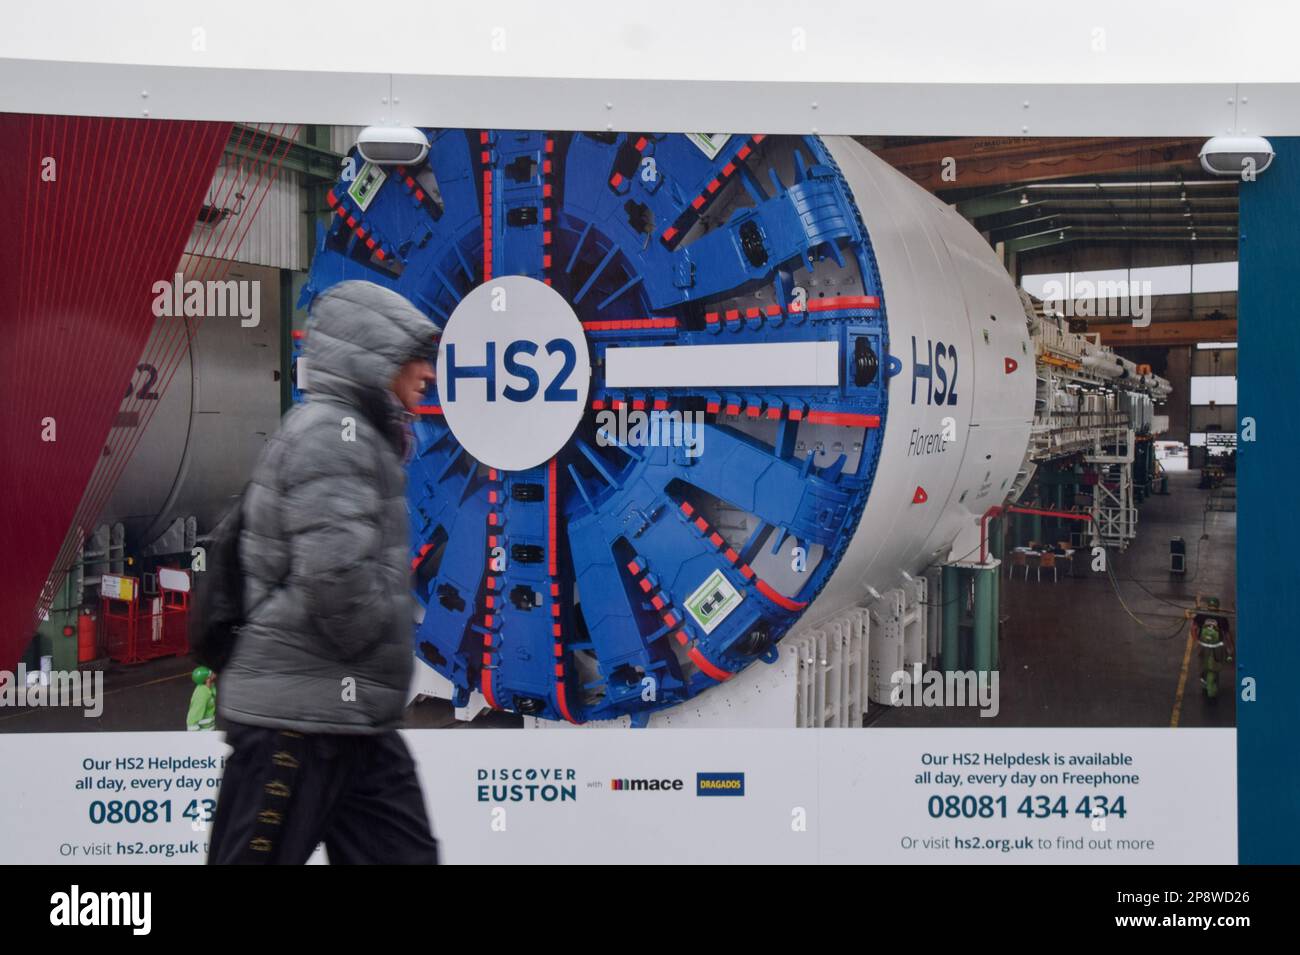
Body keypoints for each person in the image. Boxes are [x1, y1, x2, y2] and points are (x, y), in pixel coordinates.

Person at [207, 280, 440, 865]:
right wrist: (380, 639)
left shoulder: (360, 437)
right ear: (374, 356)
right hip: (295, 722)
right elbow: (335, 576)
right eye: (415, 356)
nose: (427, 373)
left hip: (351, 719)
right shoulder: (334, 438)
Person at [186, 666, 217, 731]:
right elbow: (192, 720)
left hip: (210, 728)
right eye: (211, 673)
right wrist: (198, 738)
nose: (213, 672)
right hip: (204, 733)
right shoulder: (201, 695)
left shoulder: (210, 688)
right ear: (207, 679)